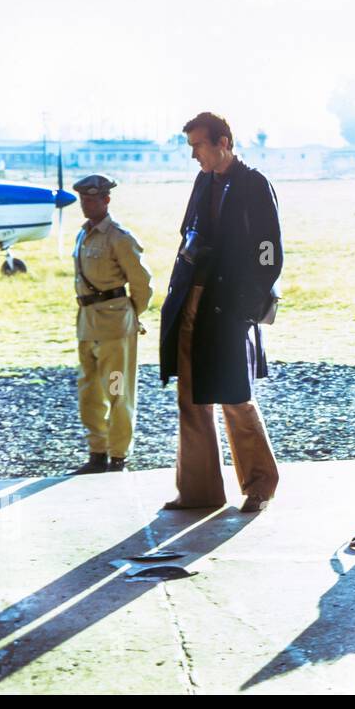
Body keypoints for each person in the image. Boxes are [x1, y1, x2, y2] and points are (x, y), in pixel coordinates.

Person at [159, 112, 283, 513]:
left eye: (198, 145)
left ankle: (260, 485)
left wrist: (243, 308)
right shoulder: (202, 181)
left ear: (223, 141)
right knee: (192, 397)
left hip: (229, 308)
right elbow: (188, 236)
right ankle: (199, 491)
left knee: (236, 396)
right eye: (192, 146)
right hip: (192, 299)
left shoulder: (253, 184)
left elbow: (269, 255)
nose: (194, 154)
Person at [71, 174, 154, 475]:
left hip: (115, 330)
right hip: (88, 324)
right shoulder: (84, 234)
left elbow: (142, 285)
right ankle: (97, 453)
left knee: (117, 390)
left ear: (107, 200)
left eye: (92, 198)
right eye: (83, 198)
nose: (86, 204)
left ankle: (118, 456)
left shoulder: (120, 237)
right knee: (89, 392)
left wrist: (129, 316)